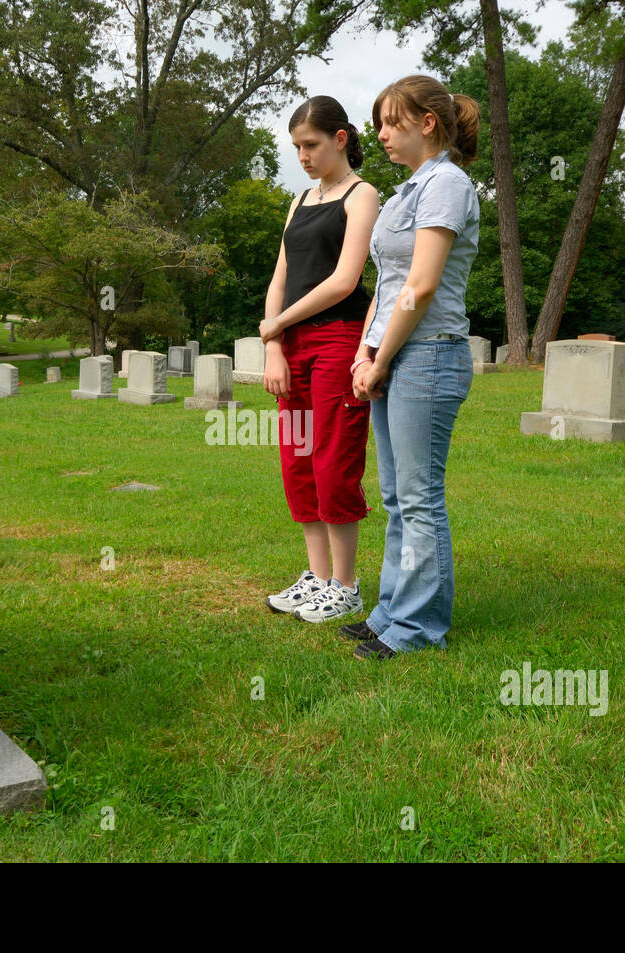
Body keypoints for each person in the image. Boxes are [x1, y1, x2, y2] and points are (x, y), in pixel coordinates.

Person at [344, 75, 481, 660]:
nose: (379, 136)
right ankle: (390, 613)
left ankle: (418, 627)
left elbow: (421, 287)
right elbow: (388, 283)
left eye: (389, 123)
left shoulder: (447, 184)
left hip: (428, 356)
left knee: (420, 497)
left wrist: (385, 356)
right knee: (397, 497)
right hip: (393, 354)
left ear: (427, 122)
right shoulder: (405, 192)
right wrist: (364, 352)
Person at [259, 96, 380, 624]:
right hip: (292, 344)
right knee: (299, 460)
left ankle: (346, 585)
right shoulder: (299, 200)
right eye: (296, 148)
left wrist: (279, 325)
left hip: (337, 338)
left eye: (311, 145)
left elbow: (345, 280)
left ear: (341, 138)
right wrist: (273, 345)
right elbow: (280, 277)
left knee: (333, 460)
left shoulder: (363, 195)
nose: (303, 156)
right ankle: (317, 577)